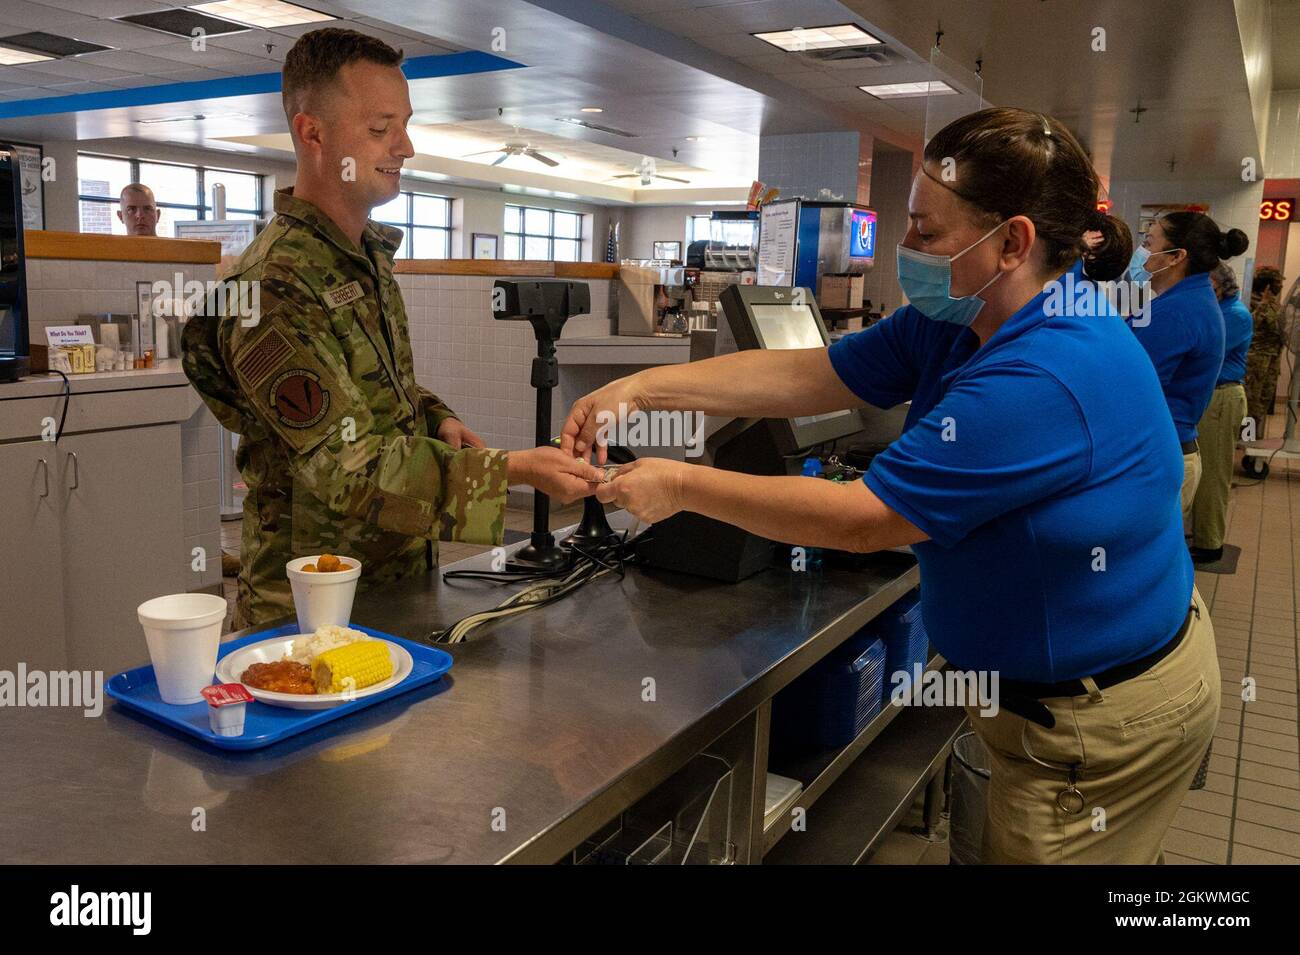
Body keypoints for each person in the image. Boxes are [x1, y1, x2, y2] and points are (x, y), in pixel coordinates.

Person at [562, 108, 1219, 864]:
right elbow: (814, 372)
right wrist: (644, 390)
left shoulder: (1047, 371)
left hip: (1097, 722)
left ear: (1012, 242)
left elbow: (865, 519)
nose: (905, 249)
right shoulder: (961, 317)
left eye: (928, 233)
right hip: (1038, 693)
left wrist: (681, 483)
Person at [183, 28, 599, 627]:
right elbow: (342, 465)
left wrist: (434, 417)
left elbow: (376, 391)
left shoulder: (363, 257)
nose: (405, 147)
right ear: (313, 133)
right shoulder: (275, 286)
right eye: (381, 128)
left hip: (392, 580)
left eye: (404, 124)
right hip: (310, 608)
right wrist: (511, 473)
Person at [1124, 212, 1245, 523]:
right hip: (1169, 449)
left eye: (1149, 243)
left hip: (1157, 455)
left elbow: (1133, 389)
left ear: (1176, 256)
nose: (1142, 252)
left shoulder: (1179, 311)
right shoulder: (1186, 299)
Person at [1188, 263, 1251, 563]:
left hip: (1223, 396)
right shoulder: (1218, 310)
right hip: (1209, 396)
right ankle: (1200, 531)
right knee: (1202, 468)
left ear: (1223, 285)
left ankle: (1210, 543)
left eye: (1210, 285)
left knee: (1213, 472)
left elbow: (1203, 349)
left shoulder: (1235, 315)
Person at [1244, 266, 1287, 438]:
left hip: (1271, 361)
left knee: (1263, 402)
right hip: (1256, 362)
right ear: (1266, 285)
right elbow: (1249, 325)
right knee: (1251, 403)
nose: (1279, 287)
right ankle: (1247, 439)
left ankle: (1254, 438)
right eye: (1277, 283)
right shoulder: (1251, 302)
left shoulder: (1275, 304)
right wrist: (1262, 305)